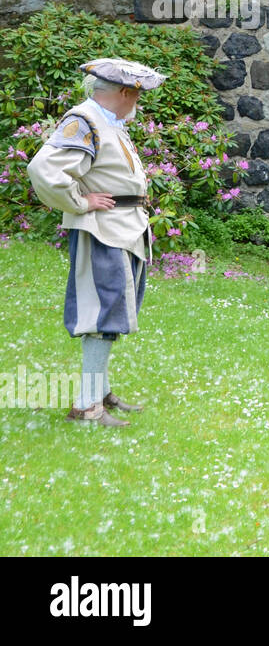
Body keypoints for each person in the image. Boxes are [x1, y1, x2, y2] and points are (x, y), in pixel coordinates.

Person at [27, 58, 166, 427]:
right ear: (124, 92)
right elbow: (44, 169)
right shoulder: (84, 120)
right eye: (137, 94)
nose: (139, 101)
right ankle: (87, 407)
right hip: (102, 228)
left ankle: (99, 393)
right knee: (100, 314)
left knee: (113, 312)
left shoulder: (108, 123)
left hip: (122, 228)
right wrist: (80, 202)